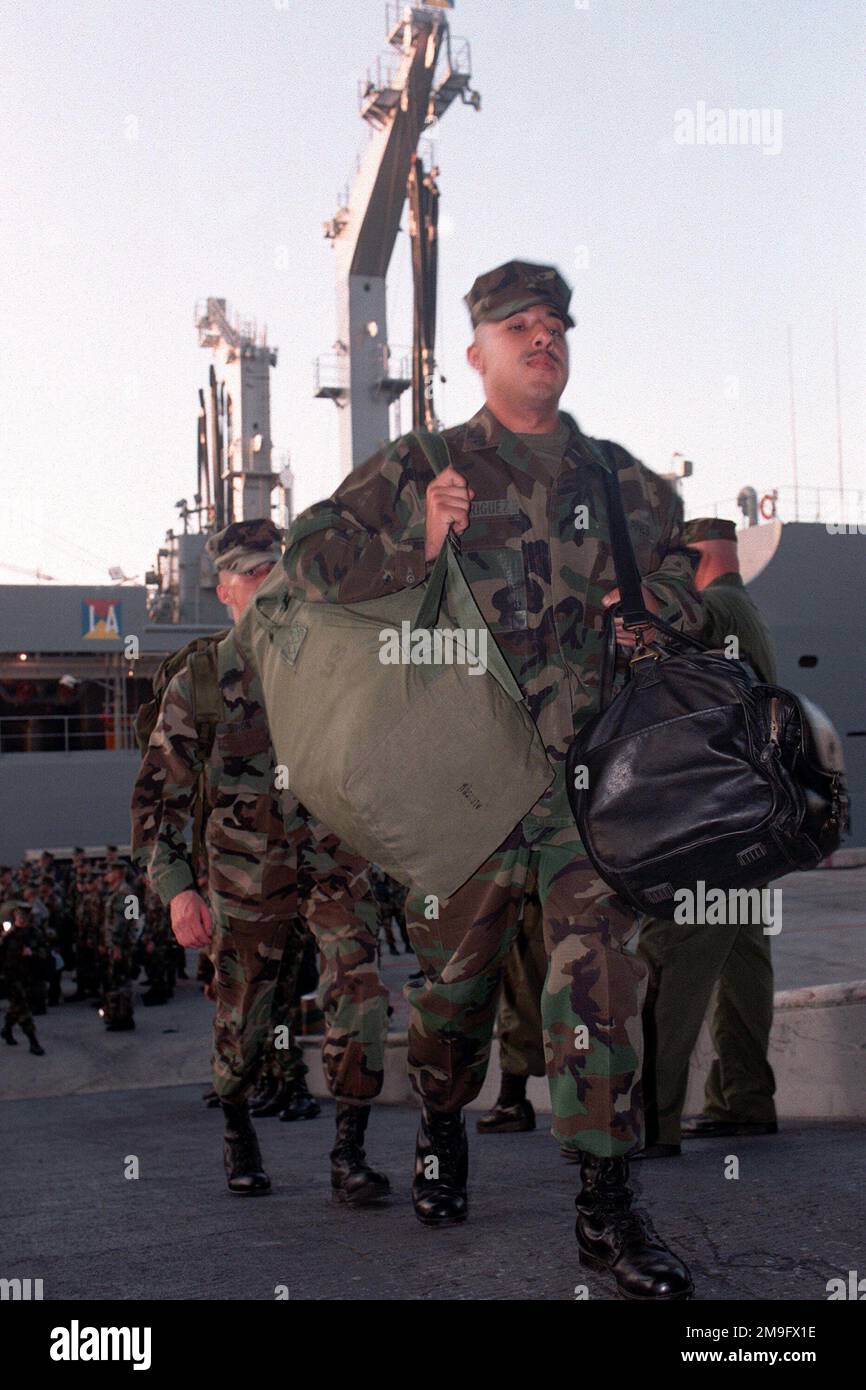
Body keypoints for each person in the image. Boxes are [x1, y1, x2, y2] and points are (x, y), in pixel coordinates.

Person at [279, 259, 704, 1300]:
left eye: (553, 322)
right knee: (452, 999)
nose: (540, 336)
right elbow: (307, 561)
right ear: (476, 352)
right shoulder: (420, 463)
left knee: (596, 978)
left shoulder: (624, 484)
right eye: (516, 325)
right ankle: (436, 1118)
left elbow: (688, 597)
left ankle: (605, 1212)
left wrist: (652, 609)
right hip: (461, 785)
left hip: (584, 787)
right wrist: (416, 544)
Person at [132, 519, 389, 1202]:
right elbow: (158, 801)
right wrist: (178, 890)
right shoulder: (203, 681)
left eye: (275, 571)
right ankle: (239, 1130)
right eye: (251, 575)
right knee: (243, 1022)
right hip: (245, 874)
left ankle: (349, 1154)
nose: (267, 584)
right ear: (225, 591)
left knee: (360, 997)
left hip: (334, 863)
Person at [636, 517, 779, 1157]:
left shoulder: (713, 608)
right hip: (752, 821)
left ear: (691, 559)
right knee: (744, 961)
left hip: (711, 823)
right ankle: (744, 1100)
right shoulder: (747, 608)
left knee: (672, 961)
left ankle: (649, 1123)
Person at [476, 864, 545, 1133]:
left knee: (523, 982)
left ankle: (512, 1099)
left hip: (538, 869)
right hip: (583, 865)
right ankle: (593, 1118)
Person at [0, 902, 46, 1054]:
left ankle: (6, 1029)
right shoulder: (8, 936)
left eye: (24, 916)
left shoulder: (35, 933)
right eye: (18, 916)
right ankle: (33, 1042)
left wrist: (32, 952)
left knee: (17, 1007)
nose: (21, 919)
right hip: (11, 977)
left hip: (29, 976)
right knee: (23, 1009)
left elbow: (44, 953)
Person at [99, 861, 137, 1031]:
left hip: (120, 945)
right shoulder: (123, 892)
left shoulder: (123, 893)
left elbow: (123, 922)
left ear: (118, 874)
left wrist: (115, 945)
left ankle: (121, 1018)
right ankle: (121, 1016)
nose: (106, 875)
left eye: (110, 872)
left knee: (118, 981)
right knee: (121, 980)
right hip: (122, 944)